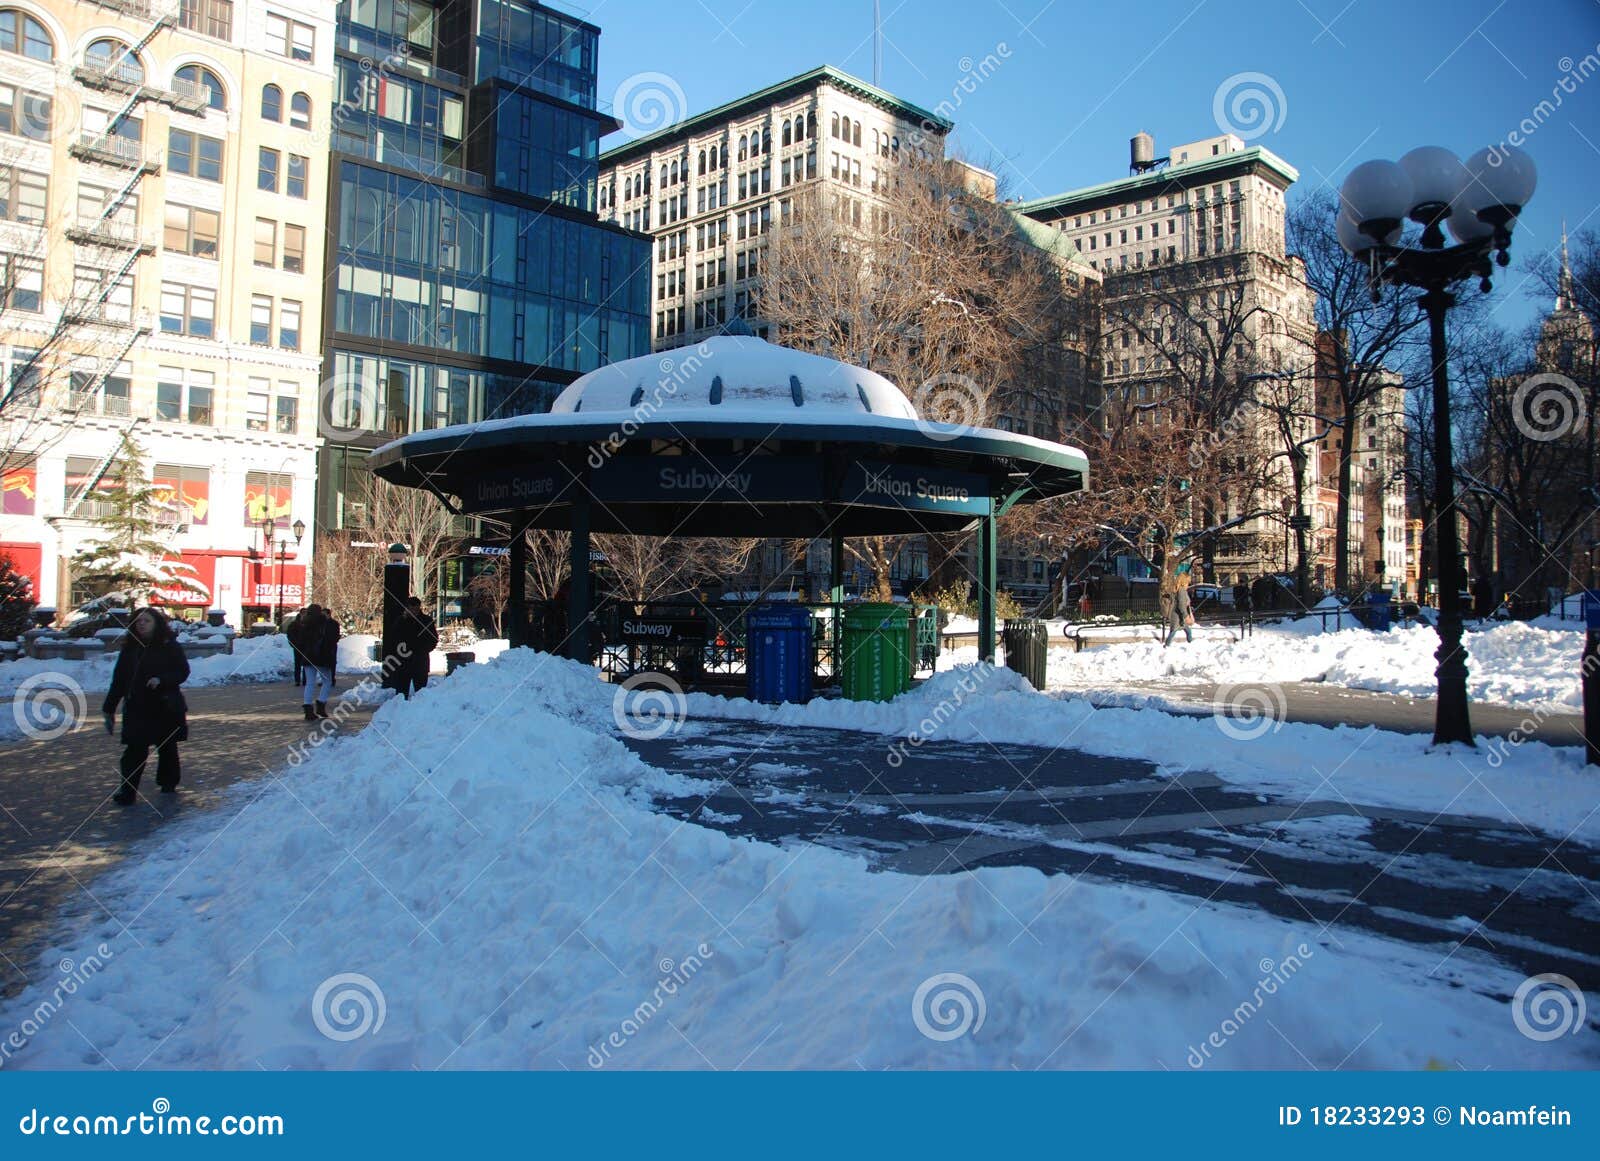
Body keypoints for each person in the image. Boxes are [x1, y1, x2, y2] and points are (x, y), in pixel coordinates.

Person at [102, 607, 190, 804]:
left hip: (164, 706)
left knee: (167, 747)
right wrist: (109, 708)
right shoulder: (130, 648)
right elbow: (119, 681)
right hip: (137, 707)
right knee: (134, 751)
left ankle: (168, 783)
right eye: (138, 621)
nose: (141, 624)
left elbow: (182, 671)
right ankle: (128, 791)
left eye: (146, 621)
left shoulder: (169, 646)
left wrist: (162, 680)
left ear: (156, 623)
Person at [298, 605, 340, 720]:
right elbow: (331, 640)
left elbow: (299, 641)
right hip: (321, 658)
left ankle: (308, 709)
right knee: (327, 681)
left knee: (310, 683)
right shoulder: (325, 623)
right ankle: (321, 704)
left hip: (307, 657)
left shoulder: (303, 624)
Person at [398, 595, 438, 699]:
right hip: (403, 661)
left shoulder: (426, 621)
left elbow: (433, 639)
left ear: (419, 607)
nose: (413, 611)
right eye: (411, 608)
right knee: (401, 694)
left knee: (421, 693)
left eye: (415, 608)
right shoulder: (401, 622)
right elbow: (393, 639)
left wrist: (422, 650)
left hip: (420, 661)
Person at [1162, 566, 1195, 647]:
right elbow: (1181, 605)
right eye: (1188, 582)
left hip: (1178, 615)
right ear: (1184, 582)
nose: (1188, 584)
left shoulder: (1177, 589)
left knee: (1187, 630)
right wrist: (1186, 616)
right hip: (1179, 616)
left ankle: (1190, 642)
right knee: (1174, 631)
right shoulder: (1182, 591)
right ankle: (1167, 645)